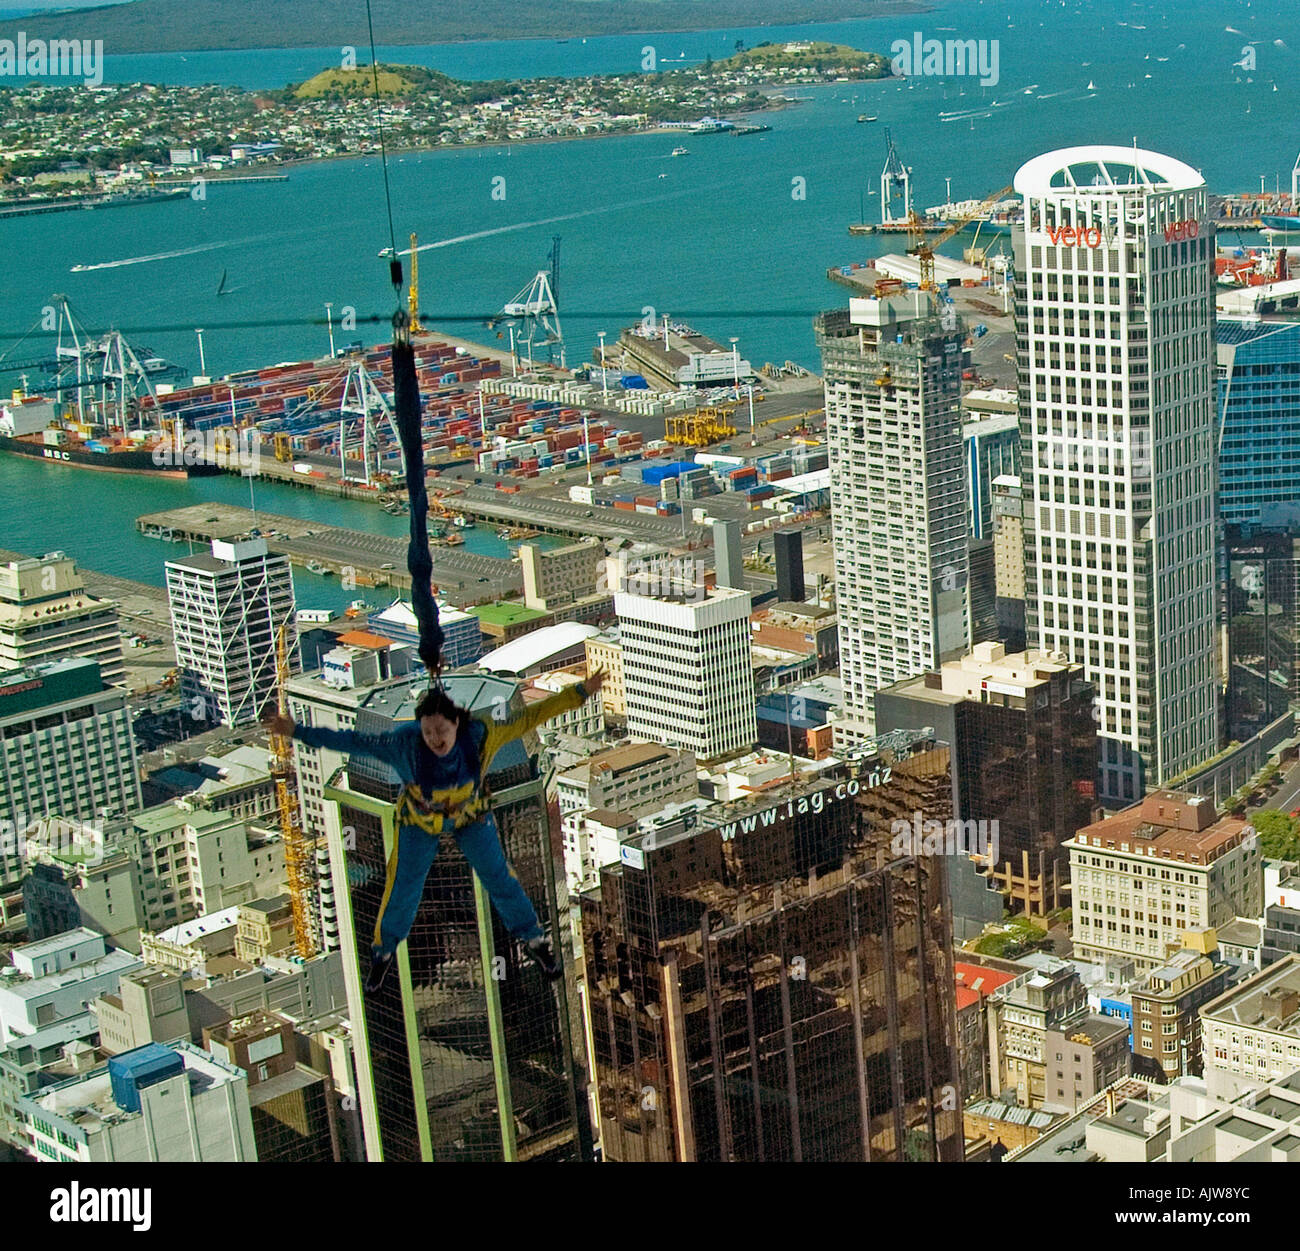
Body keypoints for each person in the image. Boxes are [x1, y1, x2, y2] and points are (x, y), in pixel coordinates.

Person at [263, 669, 604, 992]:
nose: (435, 740)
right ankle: (383, 953)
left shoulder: (482, 734)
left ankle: (535, 942)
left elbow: (529, 718)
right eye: (428, 733)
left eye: (441, 731)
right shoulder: (404, 745)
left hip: (468, 815)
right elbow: (351, 742)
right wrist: (293, 731)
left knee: (499, 876)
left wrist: (579, 692)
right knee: (402, 885)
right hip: (419, 821)